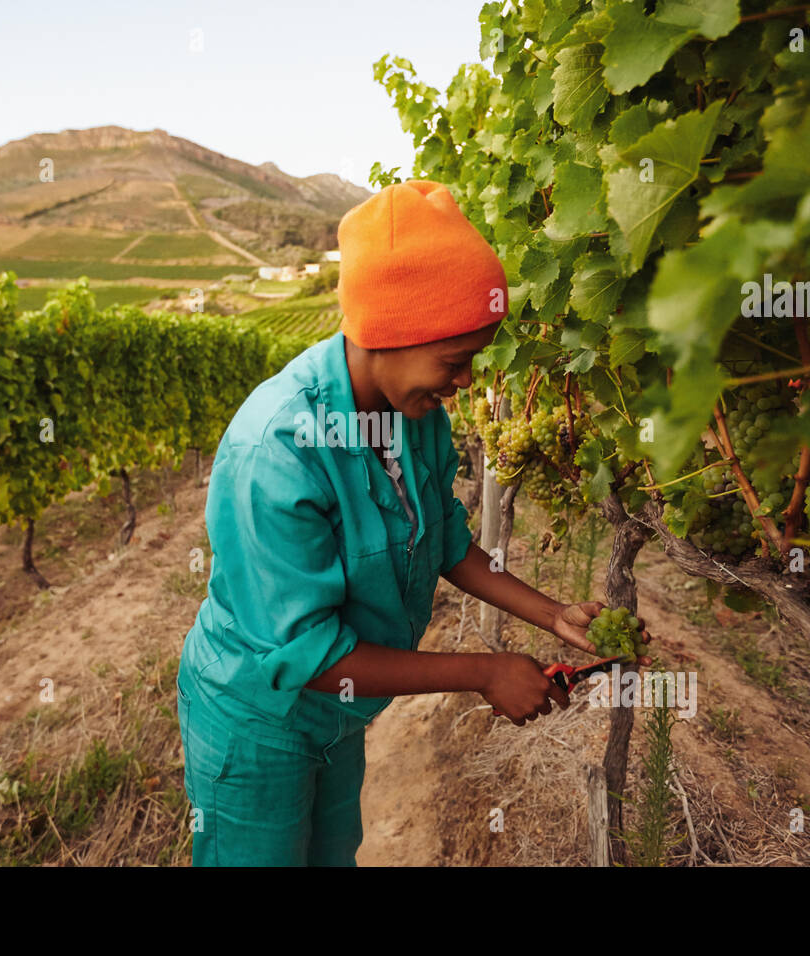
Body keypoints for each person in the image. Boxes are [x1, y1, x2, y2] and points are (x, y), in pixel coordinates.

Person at [176, 179, 652, 867]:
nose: (463, 383)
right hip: (257, 718)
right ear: (391, 333)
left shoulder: (416, 416)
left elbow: (449, 544)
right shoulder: (276, 449)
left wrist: (554, 616)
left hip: (340, 711)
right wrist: (486, 671)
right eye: (454, 362)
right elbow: (308, 655)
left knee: (332, 855)